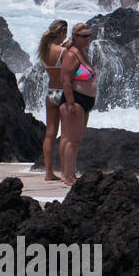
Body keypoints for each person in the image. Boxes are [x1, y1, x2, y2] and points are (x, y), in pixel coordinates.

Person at [58, 22, 97, 186]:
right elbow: (65, 80)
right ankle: (67, 176)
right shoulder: (71, 55)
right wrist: (71, 103)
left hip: (84, 101)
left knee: (76, 139)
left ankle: (71, 173)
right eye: (84, 36)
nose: (88, 39)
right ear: (75, 37)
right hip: (74, 100)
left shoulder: (81, 53)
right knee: (71, 140)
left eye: (89, 35)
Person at [36, 19, 69, 181]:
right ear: (62, 33)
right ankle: (64, 172)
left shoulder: (43, 51)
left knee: (50, 134)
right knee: (65, 135)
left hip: (51, 92)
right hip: (64, 93)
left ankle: (48, 172)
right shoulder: (62, 52)